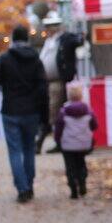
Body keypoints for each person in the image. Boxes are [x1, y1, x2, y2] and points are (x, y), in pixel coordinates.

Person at [0, 26, 48, 203]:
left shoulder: (4, 60)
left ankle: (22, 188)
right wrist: (44, 116)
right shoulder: (36, 60)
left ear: (13, 38)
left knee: (14, 151)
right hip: (32, 111)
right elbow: (43, 89)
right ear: (27, 38)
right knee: (29, 149)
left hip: (10, 111)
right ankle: (28, 184)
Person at [37, 16, 85, 155]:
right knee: (50, 112)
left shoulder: (65, 39)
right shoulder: (49, 42)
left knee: (53, 112)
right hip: (48, 82)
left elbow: (78, 41)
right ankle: (51, 140)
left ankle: (55, 141)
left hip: (58, 81)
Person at [53, 83, 96, 199]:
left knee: (70, 166)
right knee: (81, 163)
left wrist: (58, 141)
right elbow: (94, 125)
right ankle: (82, 182)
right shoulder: (88, 110)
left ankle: (73, 188)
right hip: (83, 143)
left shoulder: (63, 112)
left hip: (68, 145)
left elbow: (58, 129)